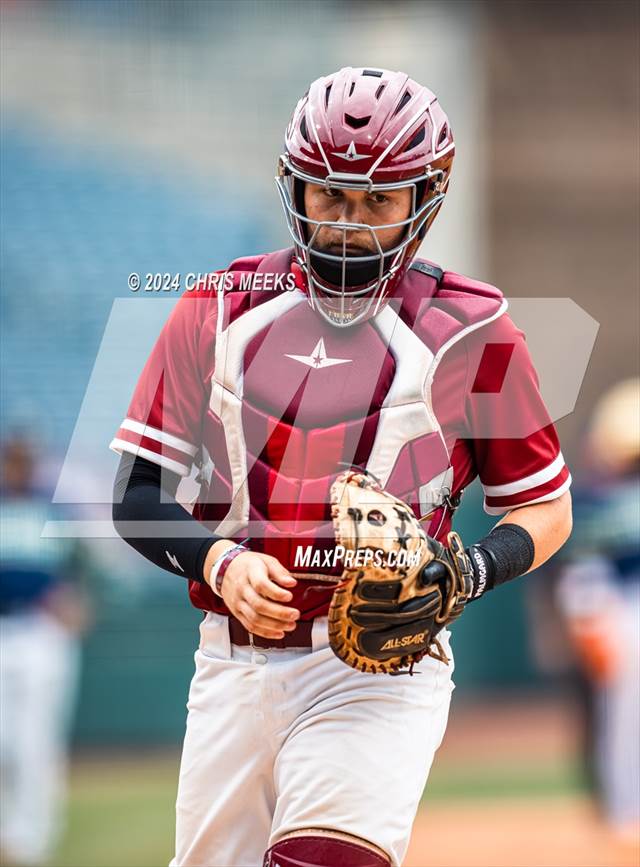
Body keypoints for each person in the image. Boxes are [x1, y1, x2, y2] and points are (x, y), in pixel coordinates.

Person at [111, 67, 573, 867]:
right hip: (232, 661)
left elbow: (546, 509)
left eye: (378, 202)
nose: (349, 225)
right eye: (329, 196)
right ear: (294, 185)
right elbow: (134, 493)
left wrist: (467, 571)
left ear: (425, 202)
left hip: (383, 663)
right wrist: (218, 562)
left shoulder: (476, 330)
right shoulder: (216, 306)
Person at [556, 378, 639, 845]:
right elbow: (580, 574)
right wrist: (587, 621)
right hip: (617, 608)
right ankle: (625, 807)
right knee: (619, 714)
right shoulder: (591, 497)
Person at [0, 437, 90, 866]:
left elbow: (82, 571)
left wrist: (76, 600)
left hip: (40, 631)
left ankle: (32, 839)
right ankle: (9, 832)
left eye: (25, 458)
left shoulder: (53, 510)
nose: (18, 466)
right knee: (5, 742)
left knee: (36, 741)